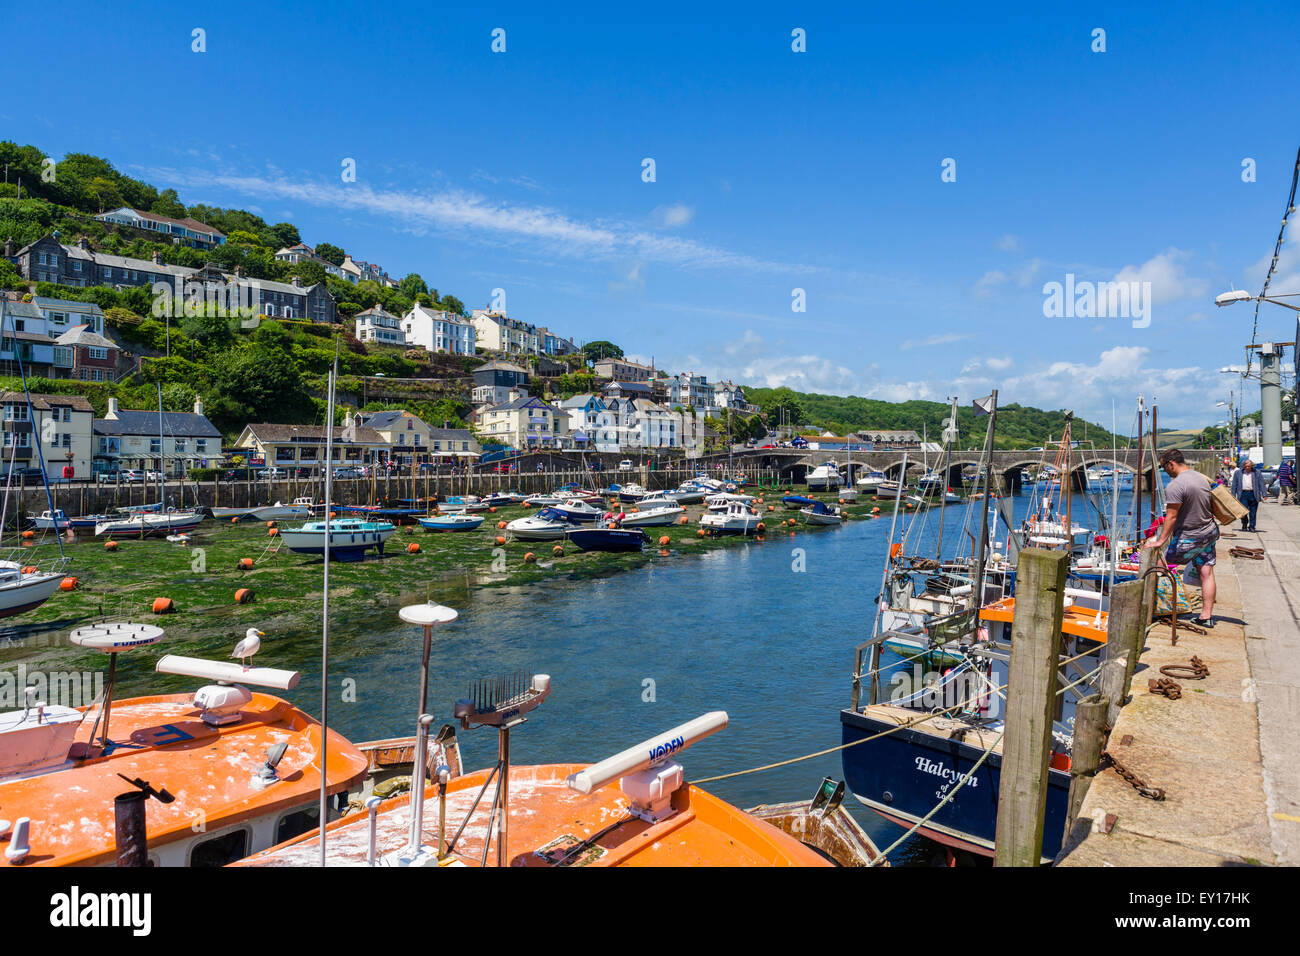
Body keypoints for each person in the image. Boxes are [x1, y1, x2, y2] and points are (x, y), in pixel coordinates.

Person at [1145, 448, 1218, 627]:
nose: (1164, 471)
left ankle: (1150, 610)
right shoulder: (1200, 478)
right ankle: (1206, 617)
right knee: (1206, 573)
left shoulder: (1176, 485)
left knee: (1158, 567)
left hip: (1189, 536)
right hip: (1208, 532)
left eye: (1163, 467)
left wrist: (1161, 540)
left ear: (1171, 464)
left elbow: (1171, 516)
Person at [1231, 458, 1261, 532]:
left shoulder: (1257, 472)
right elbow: (1234, 485)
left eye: (1249, 466)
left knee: (1253, 512)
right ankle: (1244, 524)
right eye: (1246, 466)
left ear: (1252, 466)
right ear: (1243, 466)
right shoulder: (1238, 473)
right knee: (1243, 512)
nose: (1248, 468)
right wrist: (1233, 495)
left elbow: (1261, 483)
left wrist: (1264, 494)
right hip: (1243, 494)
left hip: (1253, 494)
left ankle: (1252, 526)